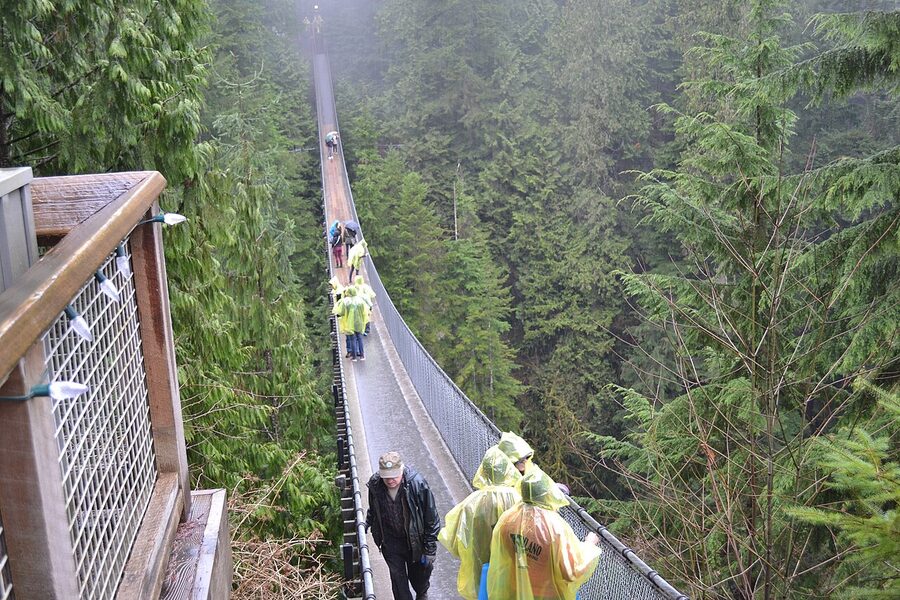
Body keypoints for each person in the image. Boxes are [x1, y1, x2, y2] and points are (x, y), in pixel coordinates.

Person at [486, 465, 602, 600]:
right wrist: (590, 545)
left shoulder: (508, 519)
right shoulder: (555, 528)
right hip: (546, 595)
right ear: (548, 494)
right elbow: (571, 571)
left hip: (515, 590)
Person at [439, 447, 522, 600]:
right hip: (511, 564)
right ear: (507, 470)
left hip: (480, 562)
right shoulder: (519, 500)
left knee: (483, 593)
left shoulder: (472, 503)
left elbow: (456, 539)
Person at [367, 451, 440, 600]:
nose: (390, 480)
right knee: (398, 583)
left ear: (401, 469)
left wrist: (430, 548)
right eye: (386, 477)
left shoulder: (417, 483)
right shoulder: (375, 484)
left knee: (419, 578)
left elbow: (431, 517)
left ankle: (422, 593)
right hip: (390, 542)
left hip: (415, 541)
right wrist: (367, 522)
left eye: (394, 475)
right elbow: (373, 508)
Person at [333, 285, 368, 361]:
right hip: (359, 322)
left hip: (350, 322)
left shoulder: (346, 301)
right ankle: (362, 356)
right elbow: (365, 311)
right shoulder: (360, 300)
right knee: (360, 338)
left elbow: (341, 312)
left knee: (352, 339)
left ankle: (354, 357)